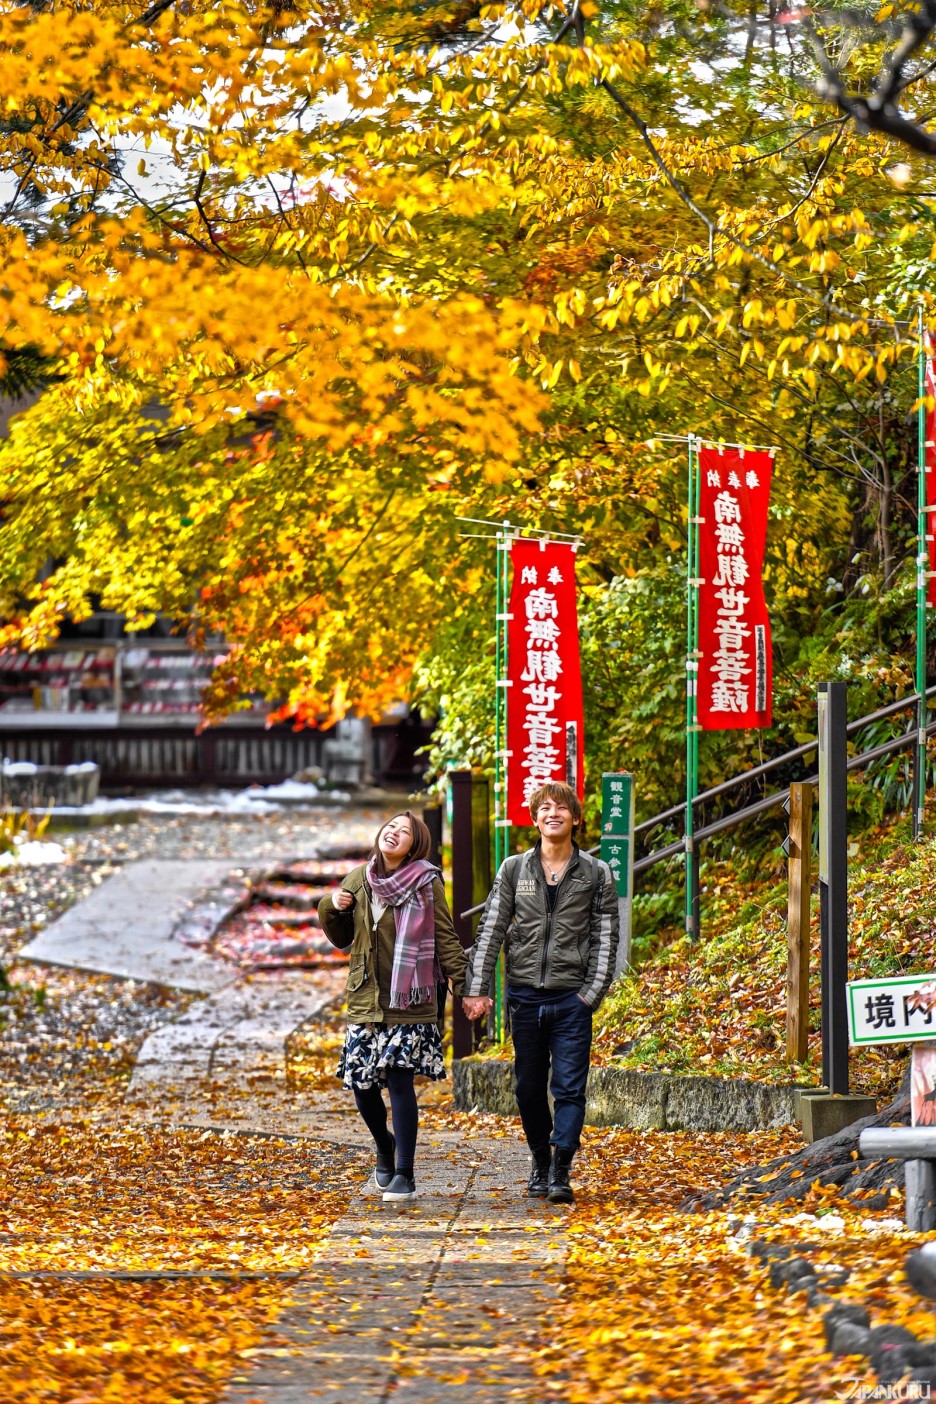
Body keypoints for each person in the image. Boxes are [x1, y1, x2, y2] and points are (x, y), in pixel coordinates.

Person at [462, 782, 618, 1205]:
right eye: (545, 808)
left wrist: (591, 994)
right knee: (528, 1088)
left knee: (569, 1087)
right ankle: (539, 1160)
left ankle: (562, 1167)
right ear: (534, 819)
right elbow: (491, 927)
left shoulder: (596, 872)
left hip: (572, 1000)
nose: (554, 814)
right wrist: (476, 989)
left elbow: (606, 937)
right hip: (525, 997)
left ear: (576, 818)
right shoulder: (514, 869)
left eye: (562, 808)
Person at [318, 812, 466, 1203]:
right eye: (391, 828)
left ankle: (405, 1172)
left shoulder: (427, 880)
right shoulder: (358, 879)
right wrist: (332, 906)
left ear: (415, 845)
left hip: (411, 1000)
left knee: (399, 1080)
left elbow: (445, 936)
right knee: (362, 1087)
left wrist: (465, 986)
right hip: (367, 998)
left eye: (405, 832)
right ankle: (385, 1145)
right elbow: (341, 938)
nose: (394, 834)